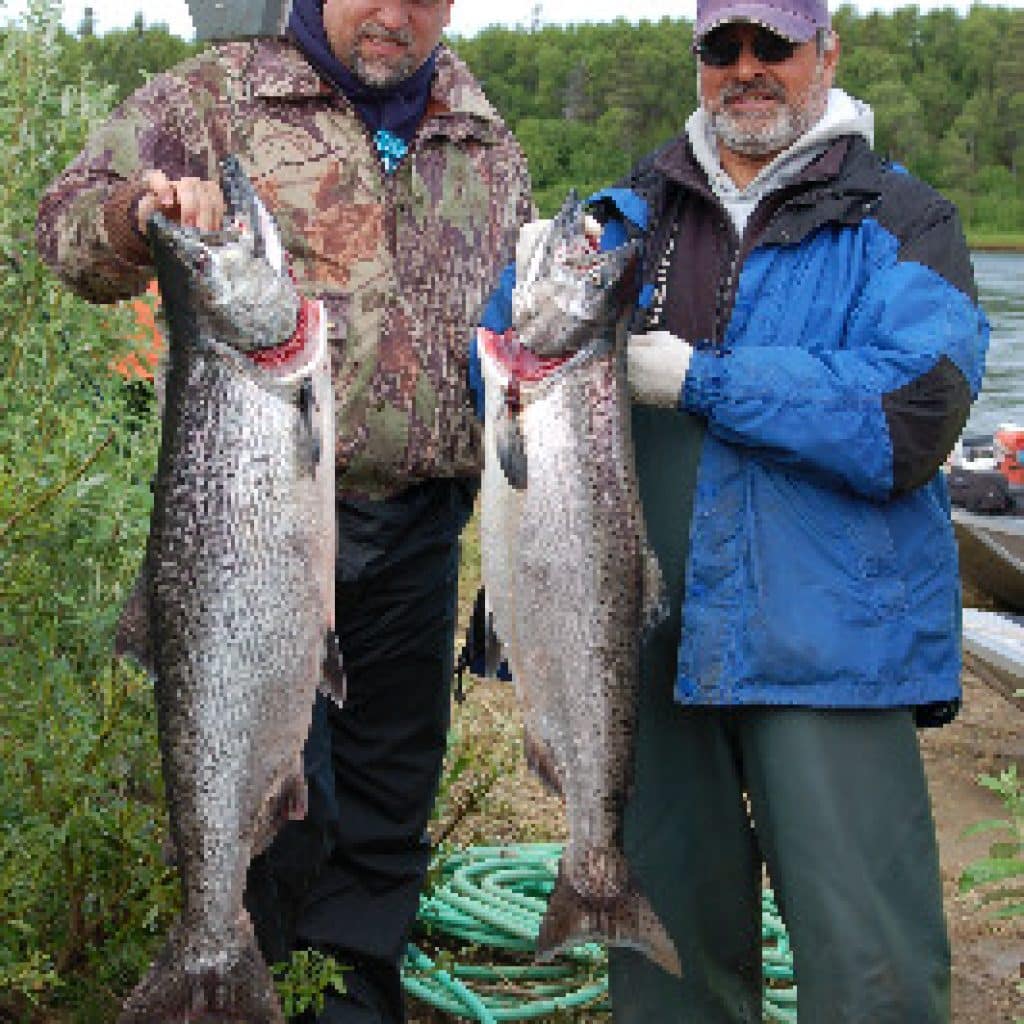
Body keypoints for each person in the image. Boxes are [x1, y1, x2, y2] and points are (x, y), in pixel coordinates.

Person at [473, 0, 988, 1019]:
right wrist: (513, 294)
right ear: (698, 62)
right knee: (669, 983)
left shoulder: (903, 220)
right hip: (646, 659)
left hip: (831, 651)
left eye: (774, 46)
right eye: (722, 47)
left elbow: (912, 415)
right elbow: (500, 370)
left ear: (825, 54)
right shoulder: (625, 219)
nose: (747, 68)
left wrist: (705, 380)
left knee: (869, 972)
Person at [36, 2, 532, 1022]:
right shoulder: (217, 94)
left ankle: (346, 1009)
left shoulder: (479, 131)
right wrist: (141, 212)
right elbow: (67, 228)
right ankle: (220, 974)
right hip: (244, 529)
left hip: (424, 529)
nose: (393, 12)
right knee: (273, 819)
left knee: (386, 820)